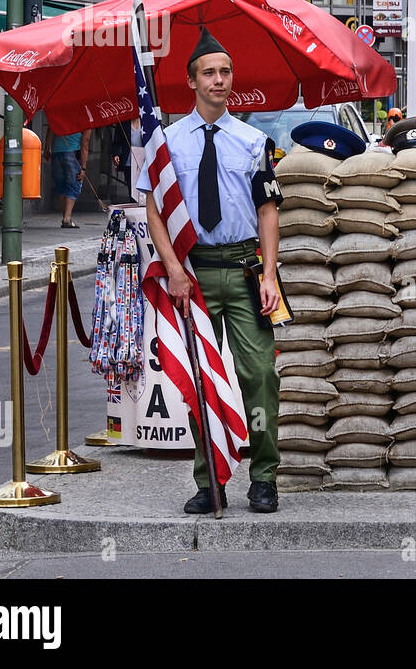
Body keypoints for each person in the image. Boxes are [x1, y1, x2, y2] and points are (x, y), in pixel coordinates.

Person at [139, 27, 285, 516]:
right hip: (194, 273)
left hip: (245, 270)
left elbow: (268, 211)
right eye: (210, 73)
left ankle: (264, 477)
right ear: (191, 82)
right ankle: (210, 481)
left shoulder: (253, 141)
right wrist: (174, 270)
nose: (219, 80)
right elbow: (154, 208)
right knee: (200, 379)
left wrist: (270, 275)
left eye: (225, 72)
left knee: (259, 373)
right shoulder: (168, 143)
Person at [44, 127, 90, 228]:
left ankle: (65, 217)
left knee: (61, 185)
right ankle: (67, 218)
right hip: (72, 152)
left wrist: (47, 148)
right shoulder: (86, 119)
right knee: (74, 185)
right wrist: (83, 168)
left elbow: (51, 129)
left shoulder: (61, 113)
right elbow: (84, 144)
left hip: (56, 152)